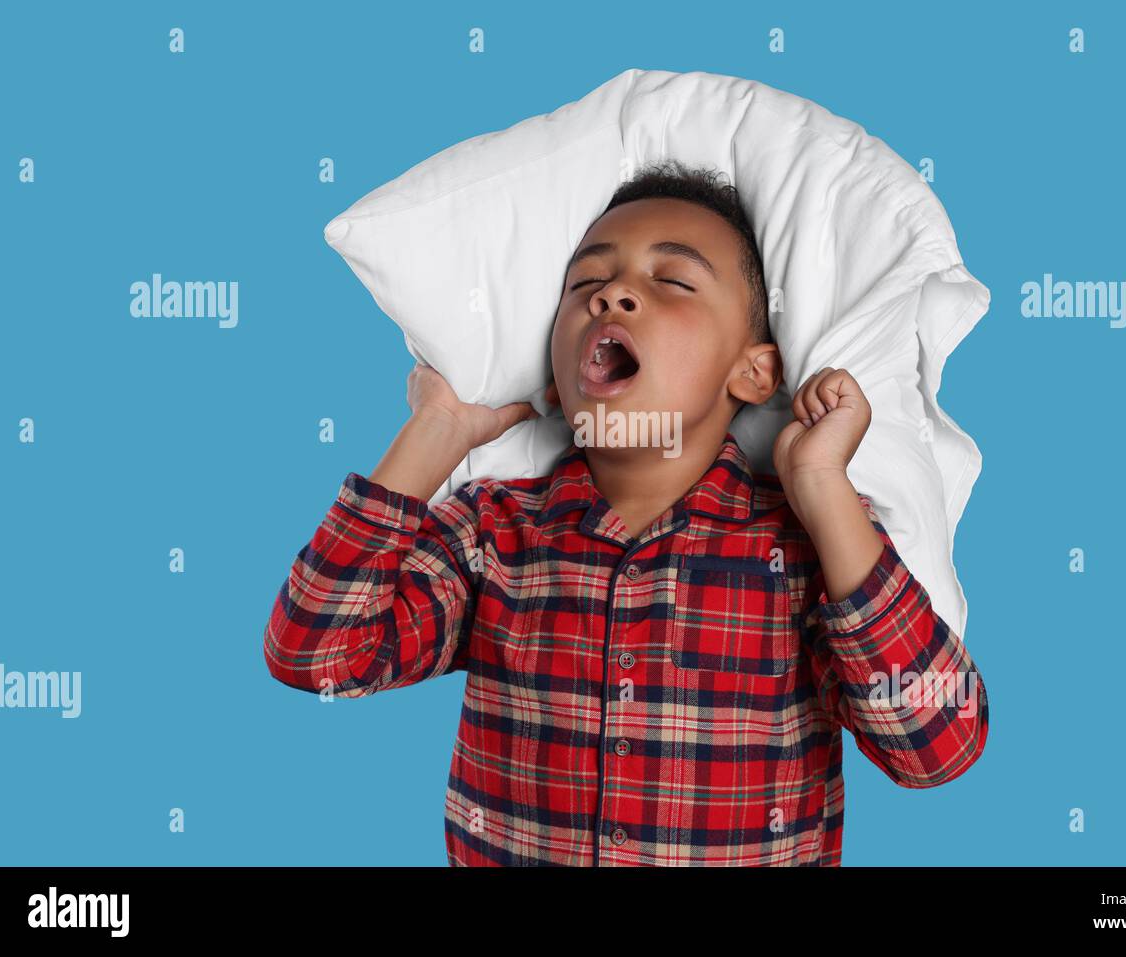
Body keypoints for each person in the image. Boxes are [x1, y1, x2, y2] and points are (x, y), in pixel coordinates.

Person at [263, 159, 989, 866]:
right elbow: (316, 653)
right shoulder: (493, 532)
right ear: (555, 379)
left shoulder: (805, 549)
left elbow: (936, 746)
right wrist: (436, 434)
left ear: (754, 370)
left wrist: (824, 484)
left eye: (672, 279)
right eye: (587, 282)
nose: (612, 297)